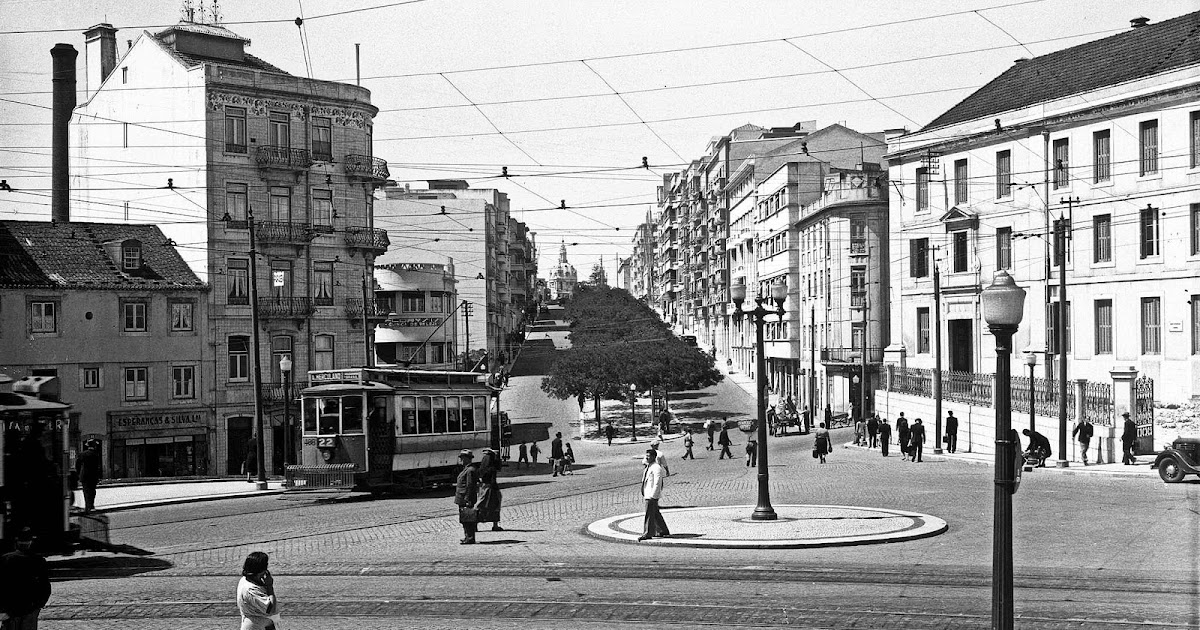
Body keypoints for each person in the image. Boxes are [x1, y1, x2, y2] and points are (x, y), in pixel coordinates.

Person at [0, 528, 51, 630]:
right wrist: (38, 605)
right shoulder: (38, 560)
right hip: (30, 609)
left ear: (16, 542)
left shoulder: (5, 559)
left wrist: (2, 610)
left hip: (10, 610)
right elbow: (45, 587)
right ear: (30, 542)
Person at [236, 551, 279, 630]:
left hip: (262, 624)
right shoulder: (250, 589)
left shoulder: (247, 580)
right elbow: (271, 609)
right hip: (255, 626)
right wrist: (269, 586)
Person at [637, 449, 670, 541]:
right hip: (647, 493)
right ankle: (663, 530)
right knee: (655, 513)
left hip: (651, 495)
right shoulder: (649, 466)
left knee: (649, 514)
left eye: (649, 456)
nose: (647, 457)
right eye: (646, 455)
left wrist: (653, 495)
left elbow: (657, 482)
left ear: (654, 457)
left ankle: (647, 533)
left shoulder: (656, 467)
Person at [454, 450, 479, 544]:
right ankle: (467, 536)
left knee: (468, 518)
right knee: (465, 518)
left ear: (466, 459)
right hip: (462, 497)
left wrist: (468, 498)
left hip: (465, 498)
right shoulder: (467, 469)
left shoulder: (470, 470)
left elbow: (470, 485)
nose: (461, 460)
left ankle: (470, 537)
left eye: (462, 458)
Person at [476, 448, 504, 531]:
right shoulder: (491, 468)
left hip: (483, 487)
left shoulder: (482, 467)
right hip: (491, 488)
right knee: (495, 504)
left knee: (481, 505)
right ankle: (495, 524)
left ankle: (475, 524)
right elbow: (493, 478)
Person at [76, 438, 102, 513]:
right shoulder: (96, 455)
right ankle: (91, 505)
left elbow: (77, 465)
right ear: (94, 446)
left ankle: (87, 506)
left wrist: (79, 474)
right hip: (93, 476)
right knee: (92, 491)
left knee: (86, 491)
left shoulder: (82, 454)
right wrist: (98, 476)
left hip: (84, 476)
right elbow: (97, 467)